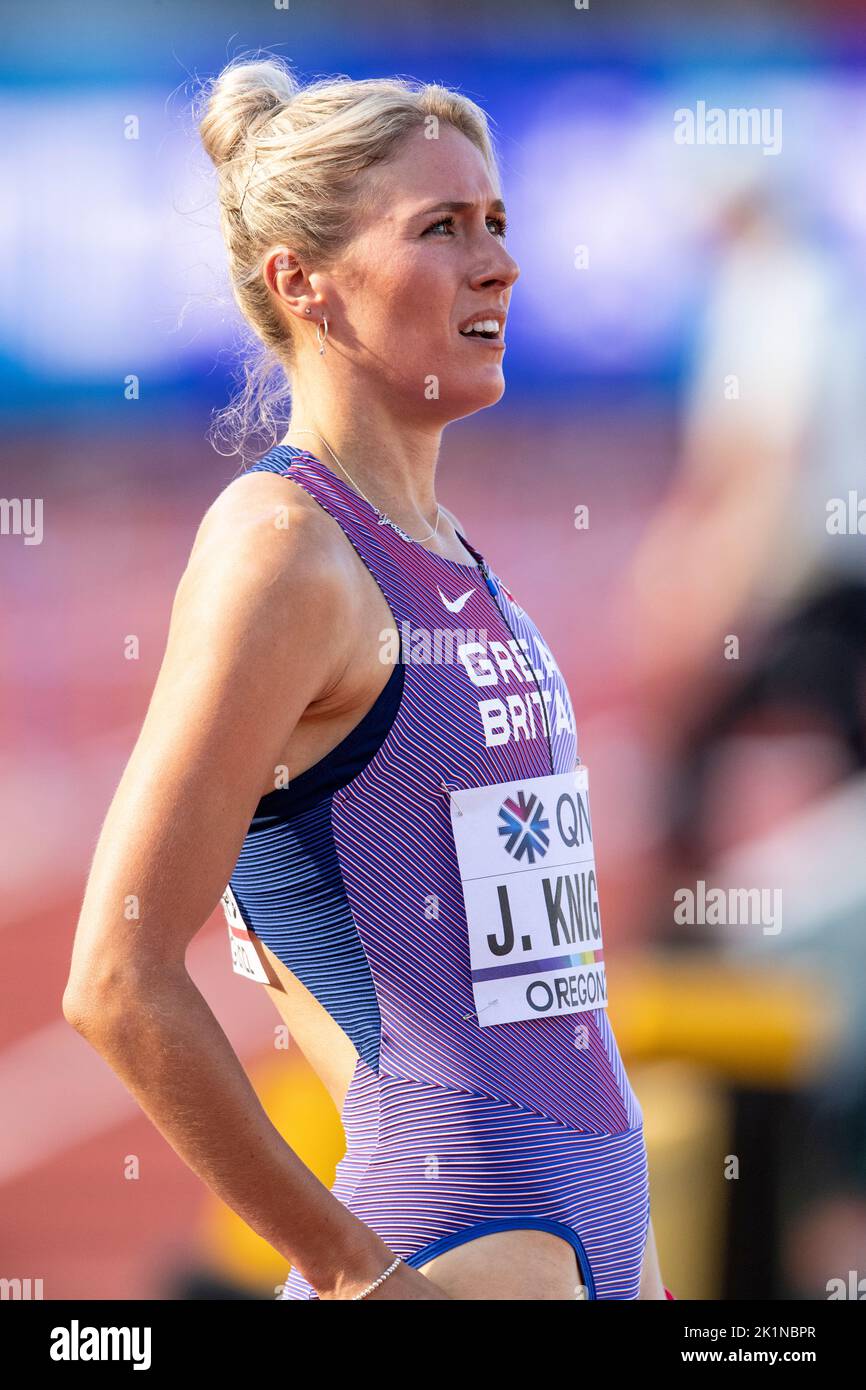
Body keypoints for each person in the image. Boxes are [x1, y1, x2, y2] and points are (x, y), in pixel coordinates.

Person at [63, 55, 669, 1301]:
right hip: (454, 1246)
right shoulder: (282, 551)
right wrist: (357, 1279)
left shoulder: (447, 556)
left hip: (601, 1237)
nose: (497, 264)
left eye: (497, 224)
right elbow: (115, 979)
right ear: (304, 281)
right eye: (441, 230)